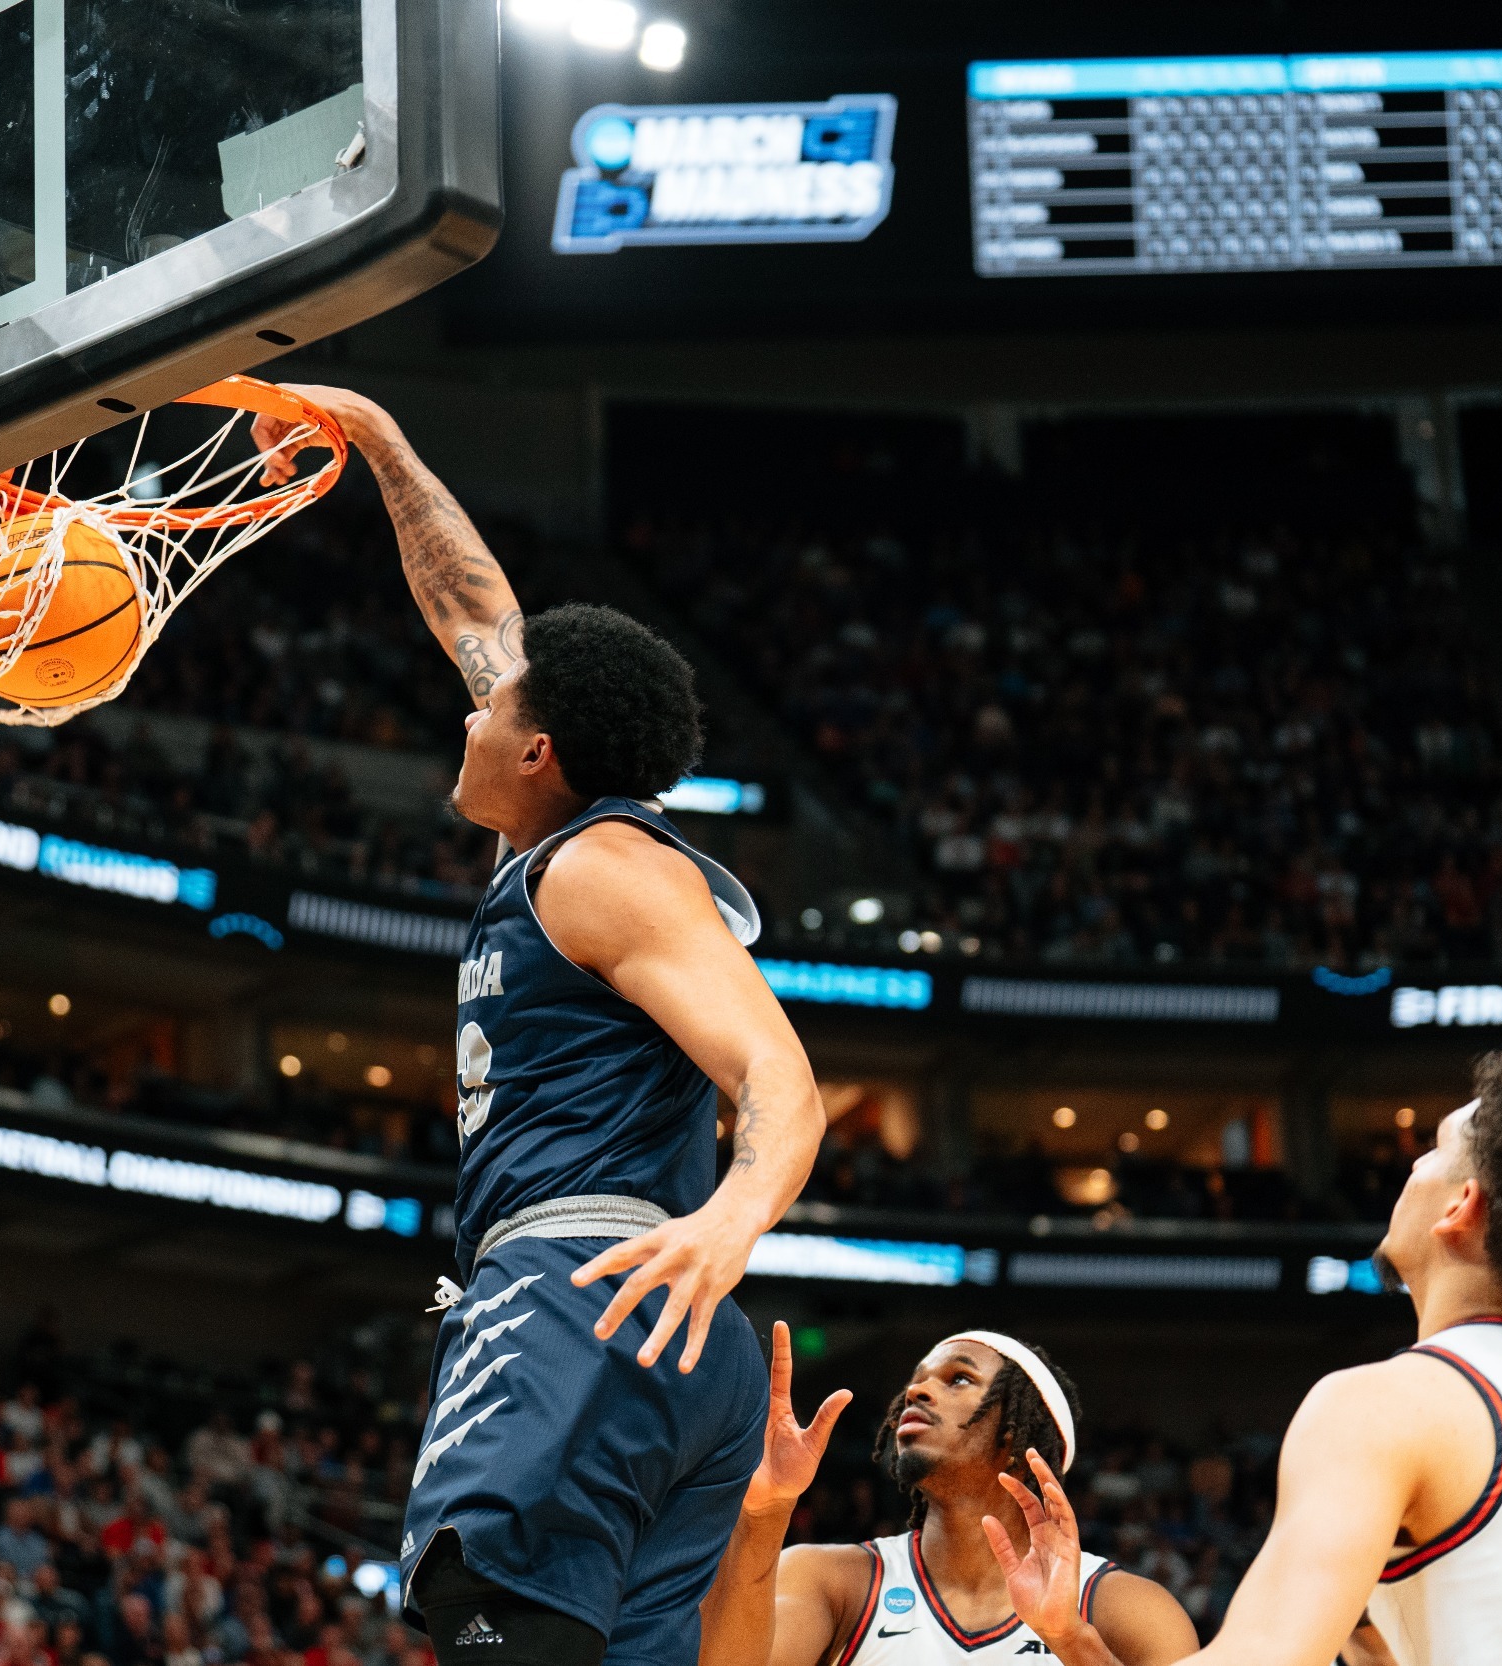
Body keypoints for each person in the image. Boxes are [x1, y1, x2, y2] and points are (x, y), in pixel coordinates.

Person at [254, 387, 829, 1666]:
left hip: (587, 1291)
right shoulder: (567, 840)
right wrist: (380, 443)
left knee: (485, 1615)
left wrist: (732, 1220)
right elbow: (474, 615)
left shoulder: (603, 867)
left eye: (494, 710)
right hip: (664, 1332)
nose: (471, 708)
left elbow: (777, 1071)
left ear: (538, 753)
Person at [994, 1038, 1502, 1666]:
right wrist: (1074, 1639)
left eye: (1435, 1148)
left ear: (1462, 1206)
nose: (1412, 1166)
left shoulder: (1391, 1404)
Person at [700, 1324, 1193, 1666]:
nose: (916, 1393)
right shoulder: (834, 1582)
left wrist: (1070, 1639)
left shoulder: (1127, 1608)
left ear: (1018, 1435)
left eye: (959, 1378)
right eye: (914, 1383)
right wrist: (764, 1512)